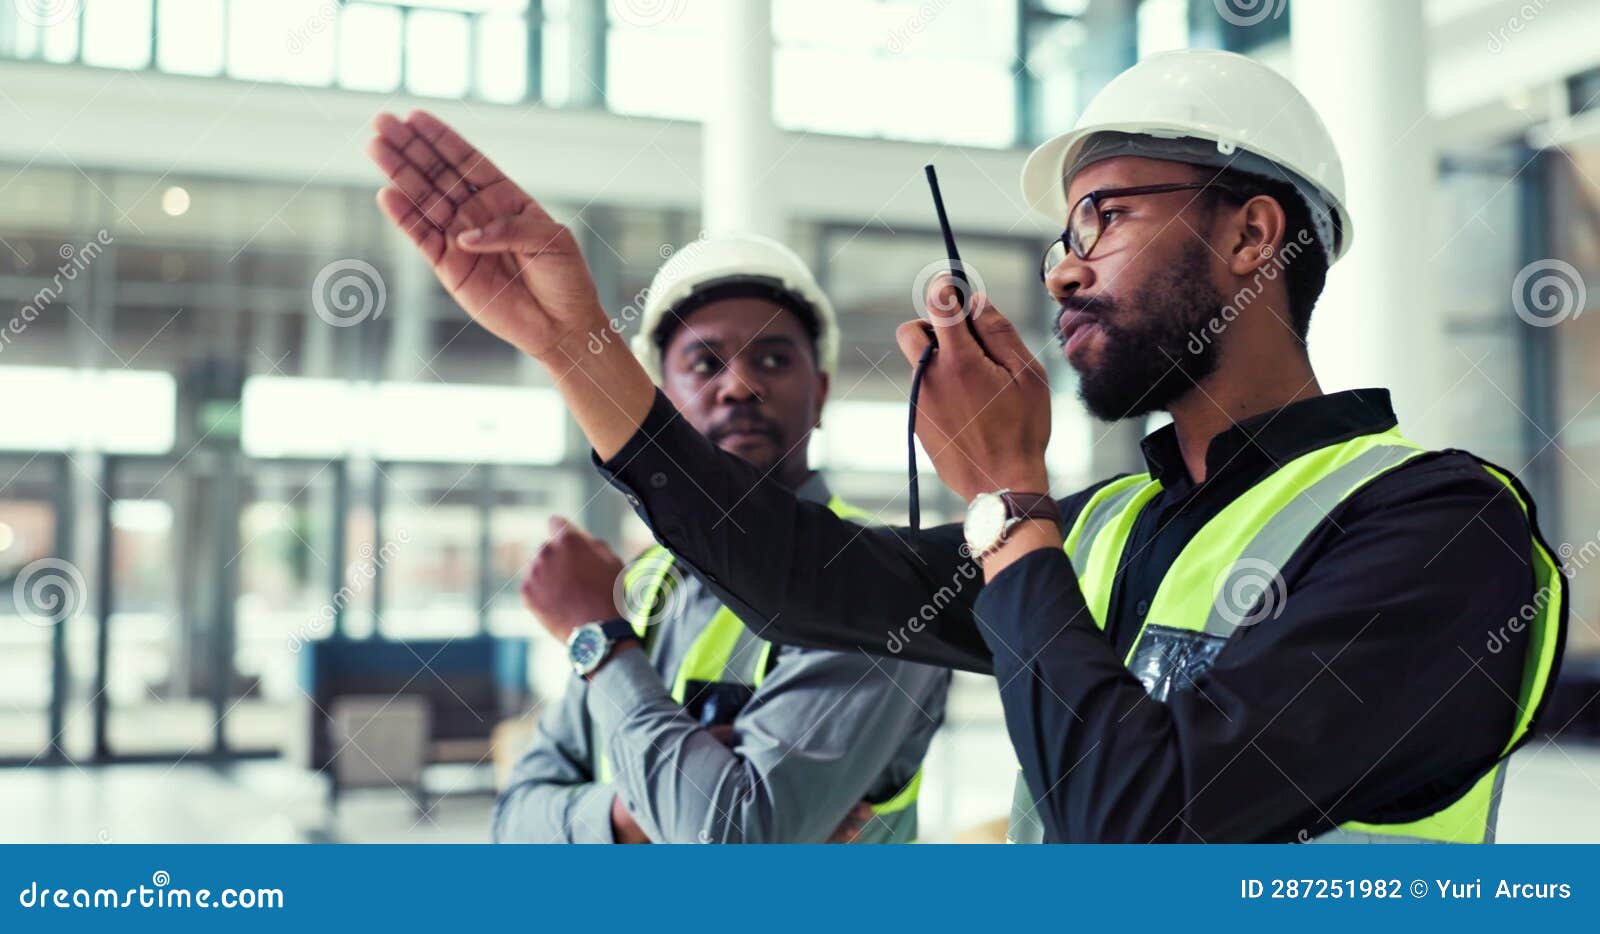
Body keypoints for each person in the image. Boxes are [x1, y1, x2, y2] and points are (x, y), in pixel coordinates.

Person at [364, 48, 1565, 843]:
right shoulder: (1104, 528)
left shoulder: (1440, 532)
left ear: (1253, 235)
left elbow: (1140, 823)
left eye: (1107, 215)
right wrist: (578, 345)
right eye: (1060, 230)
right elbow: (799, 577)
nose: (1062, 262)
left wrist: (1004, 493)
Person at [488, 233, 948, 844]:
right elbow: (514, 821)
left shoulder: (882, 580)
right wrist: (631, 818)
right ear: (662, 402)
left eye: (775, 360)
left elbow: (733, 836)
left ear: (821, 395)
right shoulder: (640, 586)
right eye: (705, 364)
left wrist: (601, 645)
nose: (739, 386)